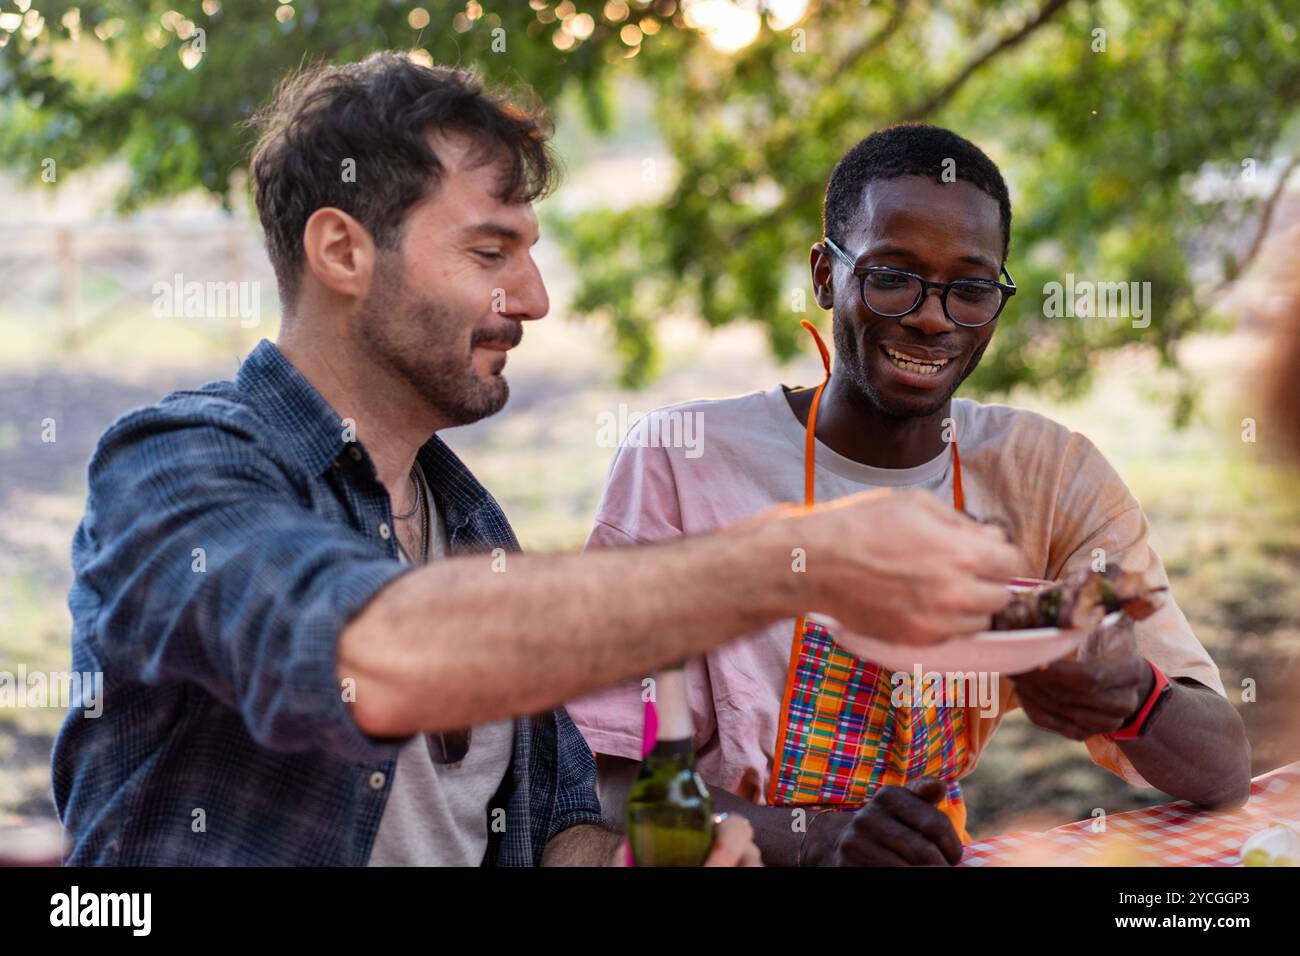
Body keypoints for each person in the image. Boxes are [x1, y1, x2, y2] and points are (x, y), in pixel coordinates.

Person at [52, 58, 1021, 866]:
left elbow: (561, 832)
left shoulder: (467, 523)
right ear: (343, 252)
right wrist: (798, 560)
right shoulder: (172, 468)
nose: (535, 296)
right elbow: (373, 658)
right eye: (490, 252)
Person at [568, 124, 1252, 867]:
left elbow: (1223, 769)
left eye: (971, 289)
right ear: (826, 276)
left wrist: (1134, 699)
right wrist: (821, 844)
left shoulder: (1049, 475)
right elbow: (612, 783)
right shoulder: (683, 460)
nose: (933, 316)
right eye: (893, 276)